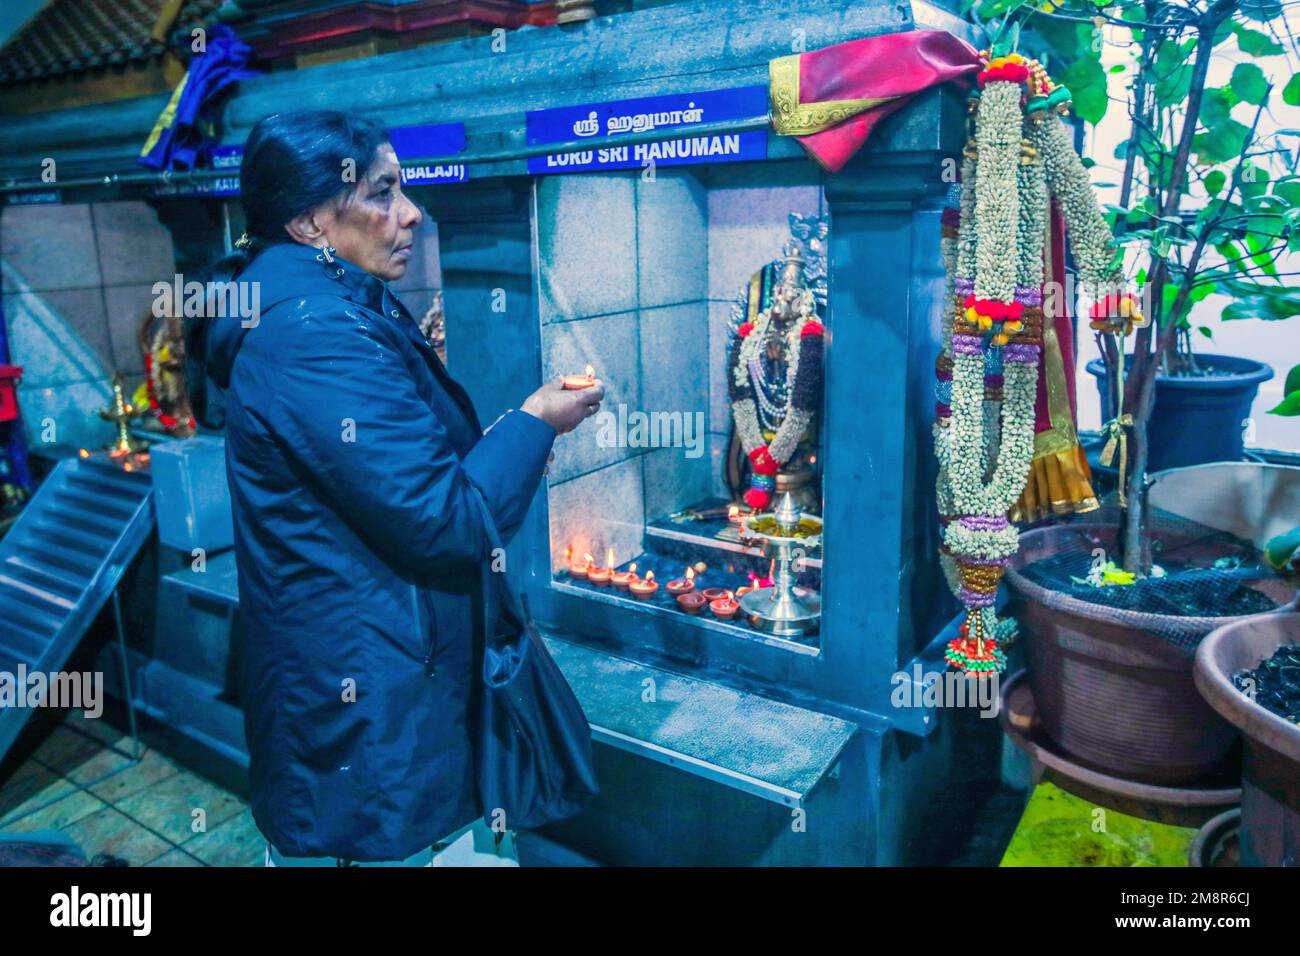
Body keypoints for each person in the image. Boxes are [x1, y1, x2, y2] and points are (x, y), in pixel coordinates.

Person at [187, 110, 603, 865]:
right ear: (313, 220)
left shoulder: (330, 306)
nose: (410, 213)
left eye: (403, 188)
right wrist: (535, 421)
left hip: (383, 676)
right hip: (373, 713)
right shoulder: (314, 336)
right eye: (383, 193)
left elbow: (399, 486)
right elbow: (446, 517)